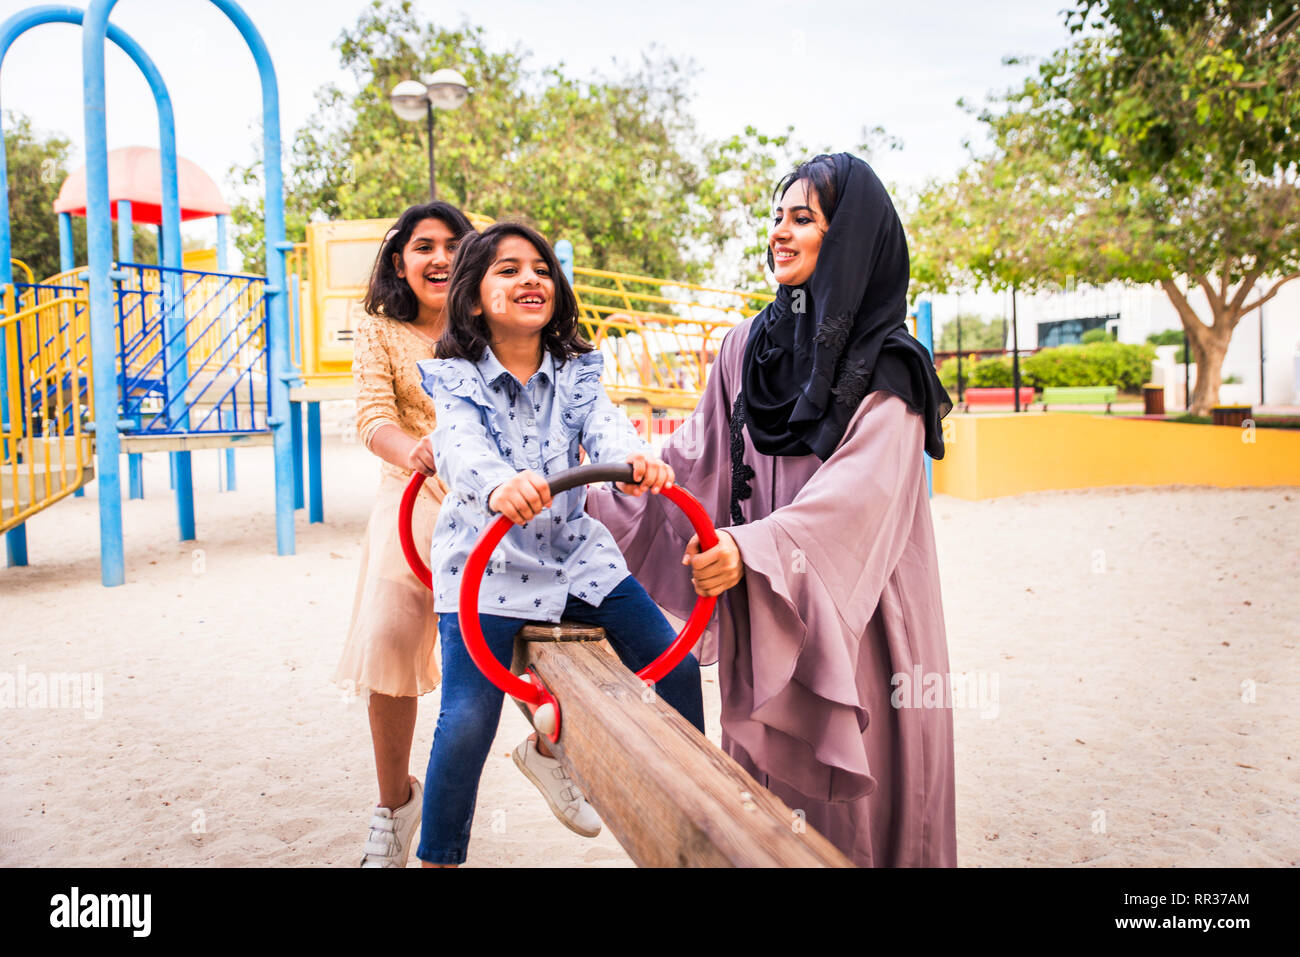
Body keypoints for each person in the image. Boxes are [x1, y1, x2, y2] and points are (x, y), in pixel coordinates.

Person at [587, 153, 958, 867]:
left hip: (860, 615)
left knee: (848, 820)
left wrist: (749, 552)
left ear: (849, 238)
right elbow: (691, 462)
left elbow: (857, 503)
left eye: (805, 219)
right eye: (777, 218)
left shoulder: (892, 368)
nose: (780, 234)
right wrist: (601, 495)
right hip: (763, 601)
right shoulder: (744, 351)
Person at [414, 222, 705, 867]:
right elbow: (460, 450)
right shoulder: (457, 379)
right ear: (472, 299)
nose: (530, 279)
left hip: (576, 560)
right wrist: (497, 486)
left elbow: (608, 432)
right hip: (486, 569)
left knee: (678, 667)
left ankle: (693, 818)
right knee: (466, 720)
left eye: (541, 269)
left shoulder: (576, 375)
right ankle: (437, 857)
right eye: (509, 269)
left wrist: (635, 461)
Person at [333, 201, 475, 867]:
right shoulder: (379, 331)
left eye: (453, 244)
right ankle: (395, 804)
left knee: (529, 617)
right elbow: (371, 418)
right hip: (412, 486)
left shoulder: (486, 329)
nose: (440, 257)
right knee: (390, 629)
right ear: (400, 261)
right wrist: (415, 449)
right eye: (424, 246)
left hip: (485, 489)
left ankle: (551, 746)